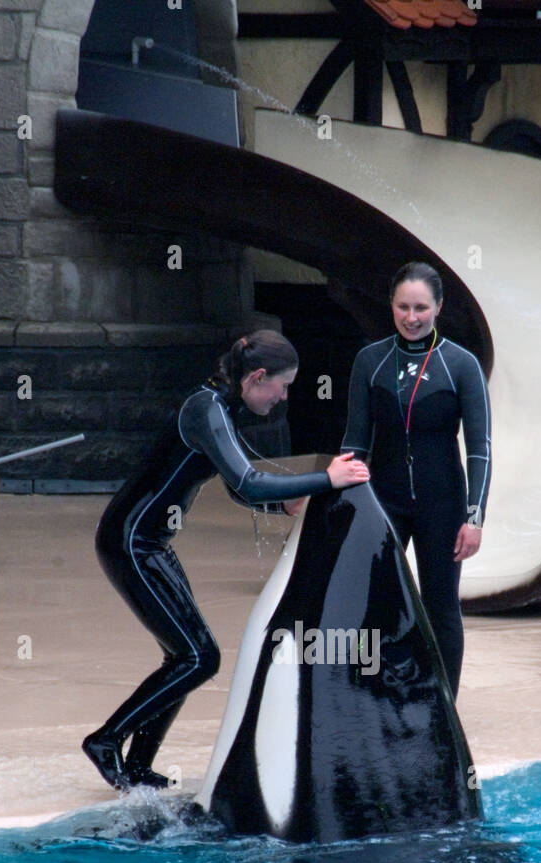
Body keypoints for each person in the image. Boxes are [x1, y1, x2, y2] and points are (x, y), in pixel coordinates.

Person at [83, 329, 369, 790]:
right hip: (130, 542)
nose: (283, 397)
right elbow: (250, 482)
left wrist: (283, 504)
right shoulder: (207, 408)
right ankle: (105, 740)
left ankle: (137, 765)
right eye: (282, 386)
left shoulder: (221, 406)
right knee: (198, 657)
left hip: (149, 543)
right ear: (257, 377)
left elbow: (239, 489)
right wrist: (325, 479)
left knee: (184, 655)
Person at [340, 262, 491, 696]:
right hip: (384, 501)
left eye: (421, 308)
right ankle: (372, 700)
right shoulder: (370, 361)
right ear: (391, 305)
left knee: (440, 606)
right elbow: (355, 444)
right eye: (403, 307)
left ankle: (443, 706)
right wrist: (345, 508)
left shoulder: (461, 365)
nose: (411, 317)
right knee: (374, 603)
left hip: (442, 504)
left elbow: (479, 450)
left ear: (438, 307)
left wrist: (475, 518)